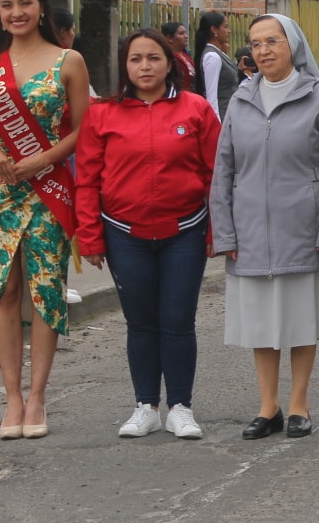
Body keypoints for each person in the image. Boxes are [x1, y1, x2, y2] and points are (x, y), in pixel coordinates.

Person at [0, 0, 92, 438]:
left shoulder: (68, 60)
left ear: (42, 8)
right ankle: (11, 399)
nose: (15, 13)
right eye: (6, 5)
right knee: (5, 290)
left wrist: (39, 160)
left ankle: (38, 397)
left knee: (44, 290)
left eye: (25, 3)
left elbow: (82, 130)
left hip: (47, 186)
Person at [210, 14, 319, 440]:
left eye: (273, 41)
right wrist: (226, 232)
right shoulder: (241, 98)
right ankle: (267, 405)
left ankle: (299, 404)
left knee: (299, 318)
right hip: (251, 226)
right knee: (261, 321)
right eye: (255, 43)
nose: (264, 50)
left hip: (303, 227)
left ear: (292, 45)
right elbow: (224, 169)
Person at [76, 28, 221, 440]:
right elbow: (86, 180)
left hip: (185, 232)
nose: (145, 66)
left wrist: (217, 230)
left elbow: (217, 175)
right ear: (124, 65)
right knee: (140, 323)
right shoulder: (102, 113)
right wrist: (90, 236)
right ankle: (146, 406)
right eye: (136, 58)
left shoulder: (196, 110)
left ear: (169, 62)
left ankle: (180, 407)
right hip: (124, 234)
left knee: (177, 321)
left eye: (154, 58)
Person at [194, 10, 240, 120]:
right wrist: (216, 124)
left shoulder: (219, 53)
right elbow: (212, 96)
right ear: (214, 30)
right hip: (222, 115)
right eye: (225, 27)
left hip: (230, 113)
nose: (229, 31)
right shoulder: (212, 56)